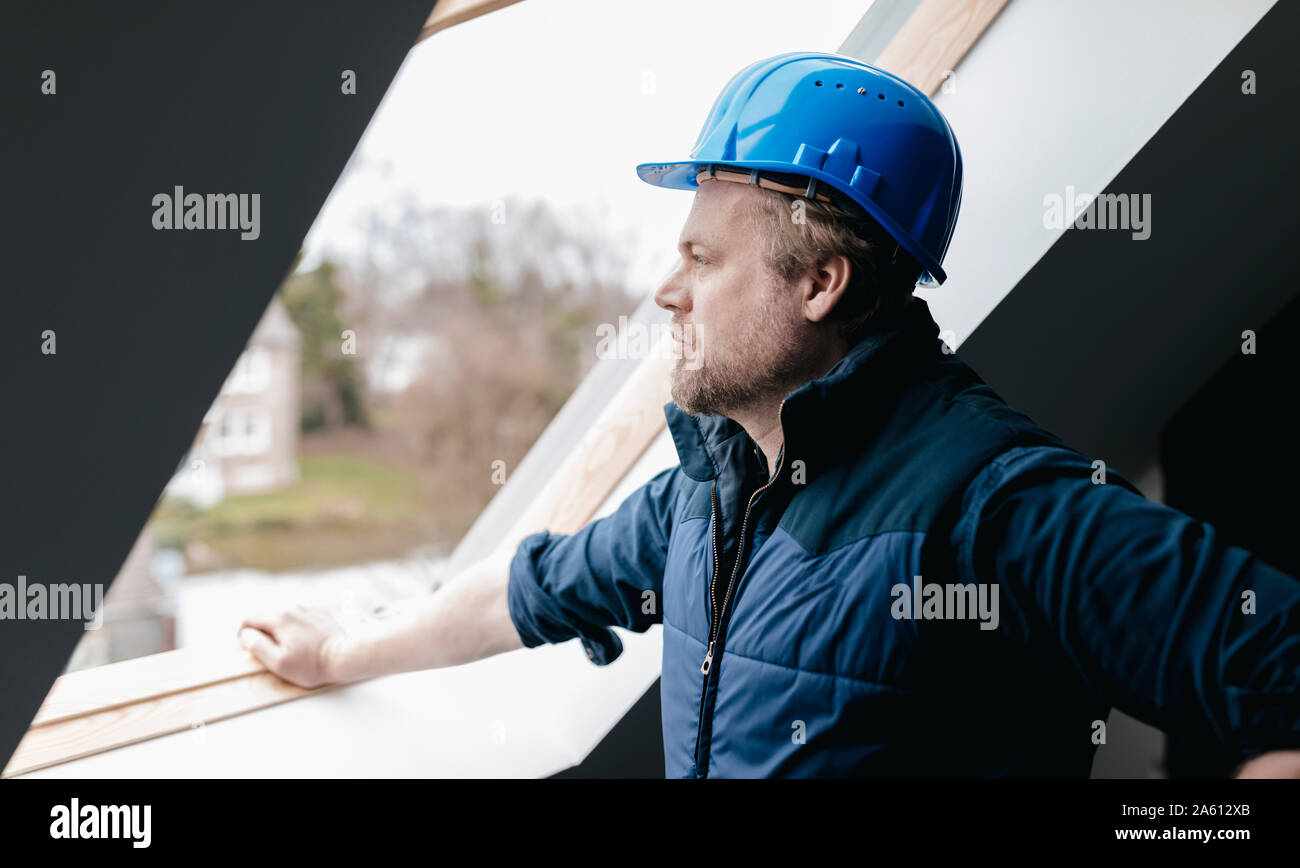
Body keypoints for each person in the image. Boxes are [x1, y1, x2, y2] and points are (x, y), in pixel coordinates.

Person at [239, 52, 1300, 778]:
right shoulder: (705, 494)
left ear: (820, 284)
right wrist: (338, 657)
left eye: (702, 257)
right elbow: (518, 591)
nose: (669, 289)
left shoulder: (997, 503)